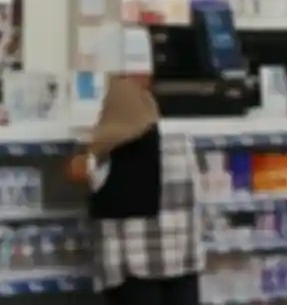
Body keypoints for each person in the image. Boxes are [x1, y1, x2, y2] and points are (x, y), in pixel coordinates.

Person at [69, 74, 204, 305]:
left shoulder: (109, 156)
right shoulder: (182, 144)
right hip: (182, 262)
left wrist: (96, 144)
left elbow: (76, 171)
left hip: (134, 271)